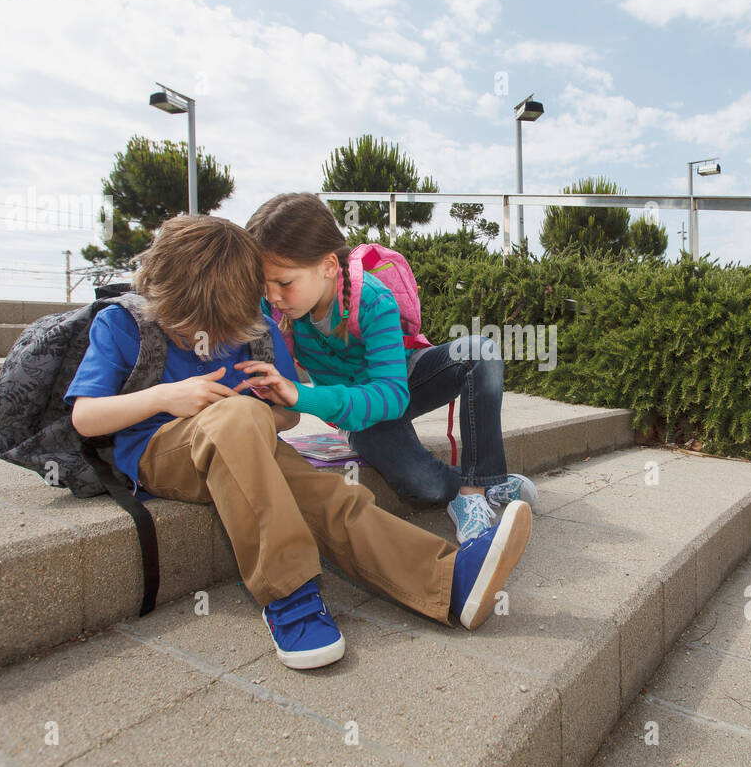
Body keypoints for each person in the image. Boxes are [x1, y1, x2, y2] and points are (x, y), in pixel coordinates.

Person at [64, 214, 531, 671]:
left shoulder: (253, 325)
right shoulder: (123, 324)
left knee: (329, 495)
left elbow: (286, 418)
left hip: (243, 446)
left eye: (228, 322)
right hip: (158, 453)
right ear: (167, 297)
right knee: (237, 417)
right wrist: (168, 396)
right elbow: (85, 418)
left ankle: (448, 582)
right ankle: (289, 597)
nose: (218, 336)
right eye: (197, 325)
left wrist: (272, 404)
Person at [245, 192, 537, 545]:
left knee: (481, 351)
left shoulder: (371, 297)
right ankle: (489, 479)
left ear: (327, 266)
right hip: (358, 414)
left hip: (400, 382)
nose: (272, 296)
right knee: (425, 486)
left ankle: (475, 491)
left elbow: (392, 395)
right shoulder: (272, 311)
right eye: (266, 283)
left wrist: (302, 396)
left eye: (284, 283)